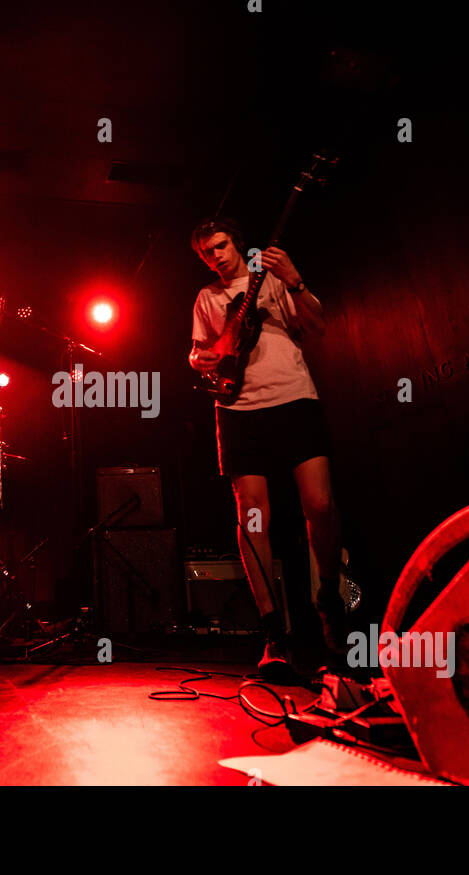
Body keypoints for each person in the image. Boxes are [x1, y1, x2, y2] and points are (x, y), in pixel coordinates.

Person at [187, 216, 347, 680]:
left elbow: (317, 326)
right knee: (253, 515)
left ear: (238, 244)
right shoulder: (206, 298)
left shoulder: (275, 281)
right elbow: (197, 353)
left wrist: (295, 281)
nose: (214, 258)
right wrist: (202, 359)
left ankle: (330, 601)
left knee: (319, 503)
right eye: (205, 253)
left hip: (294, 399)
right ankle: (273, 631)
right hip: (238, 409)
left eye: (219, 247)